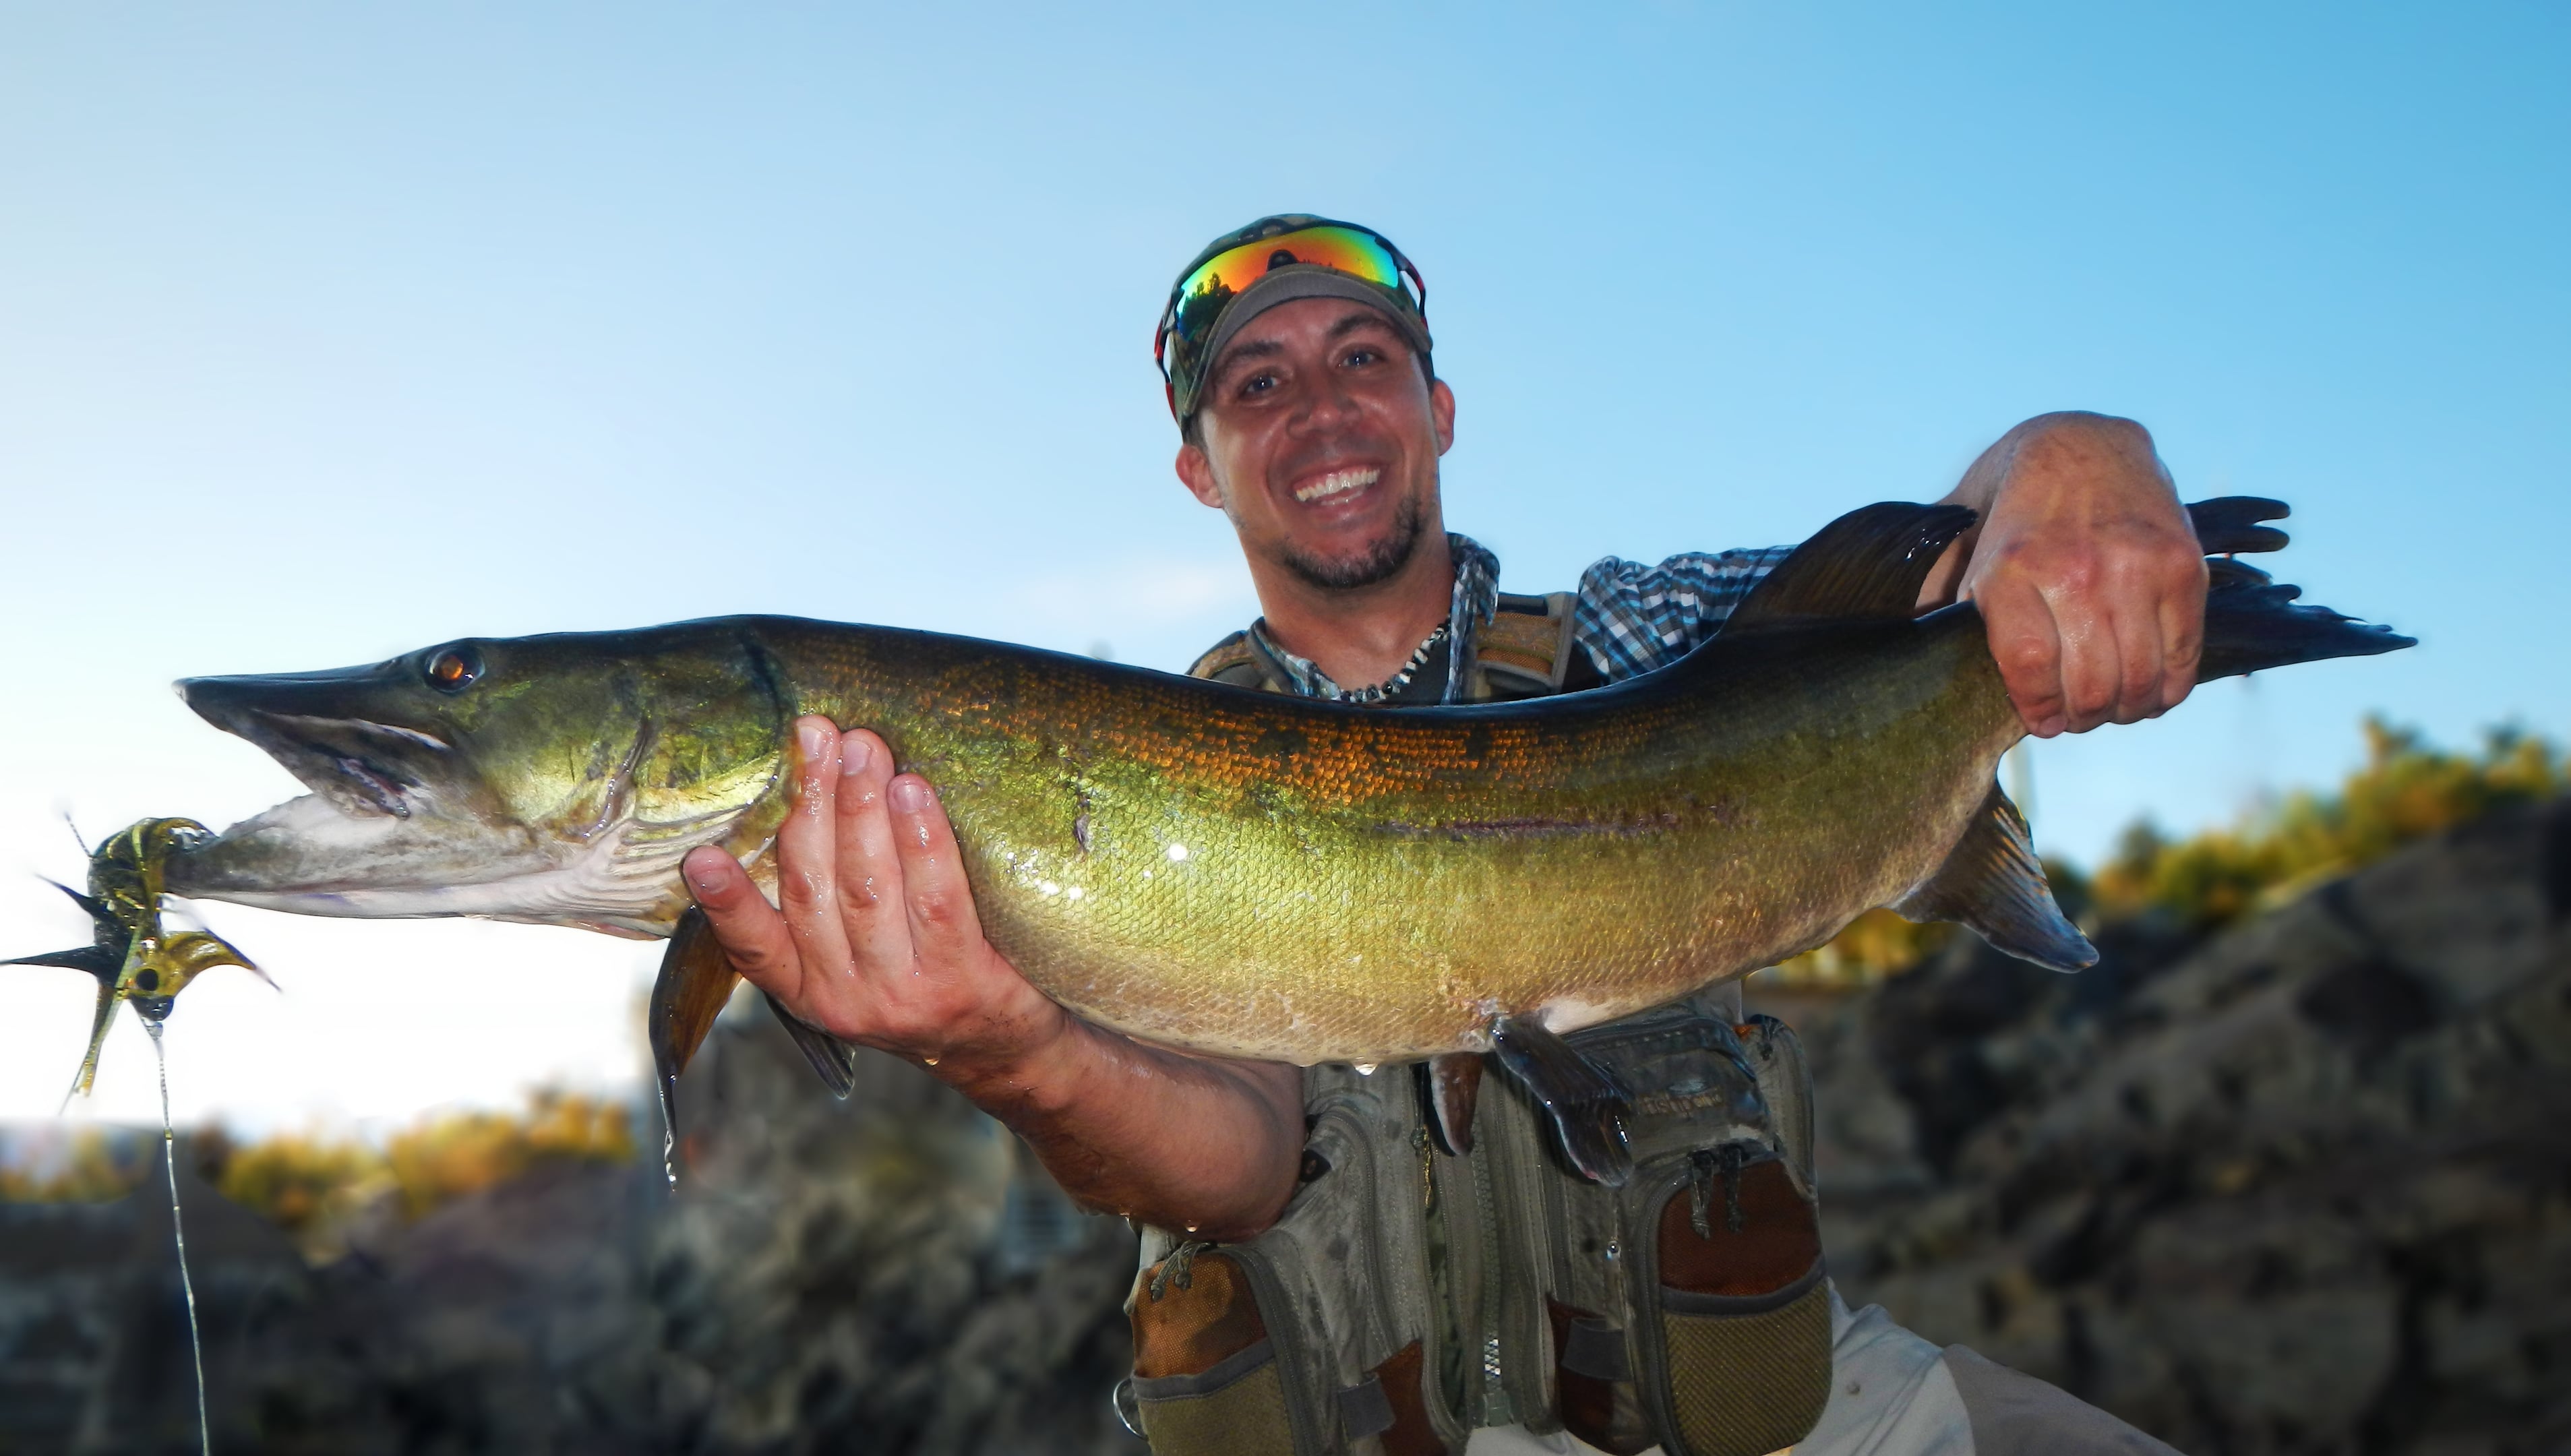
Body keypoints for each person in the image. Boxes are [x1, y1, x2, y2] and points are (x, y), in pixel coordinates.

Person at [679, 216, 2189, 1454]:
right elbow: (1241, 1161)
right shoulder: (1108, 791)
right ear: (1200, 464)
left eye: (1363, 359)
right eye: (1255, 385)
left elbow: (1953, 563)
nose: (1320, 409)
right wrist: (1002, 1049)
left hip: (1768, 1416)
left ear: (1434, 409)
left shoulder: (1634, 637)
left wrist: (2071, 455)